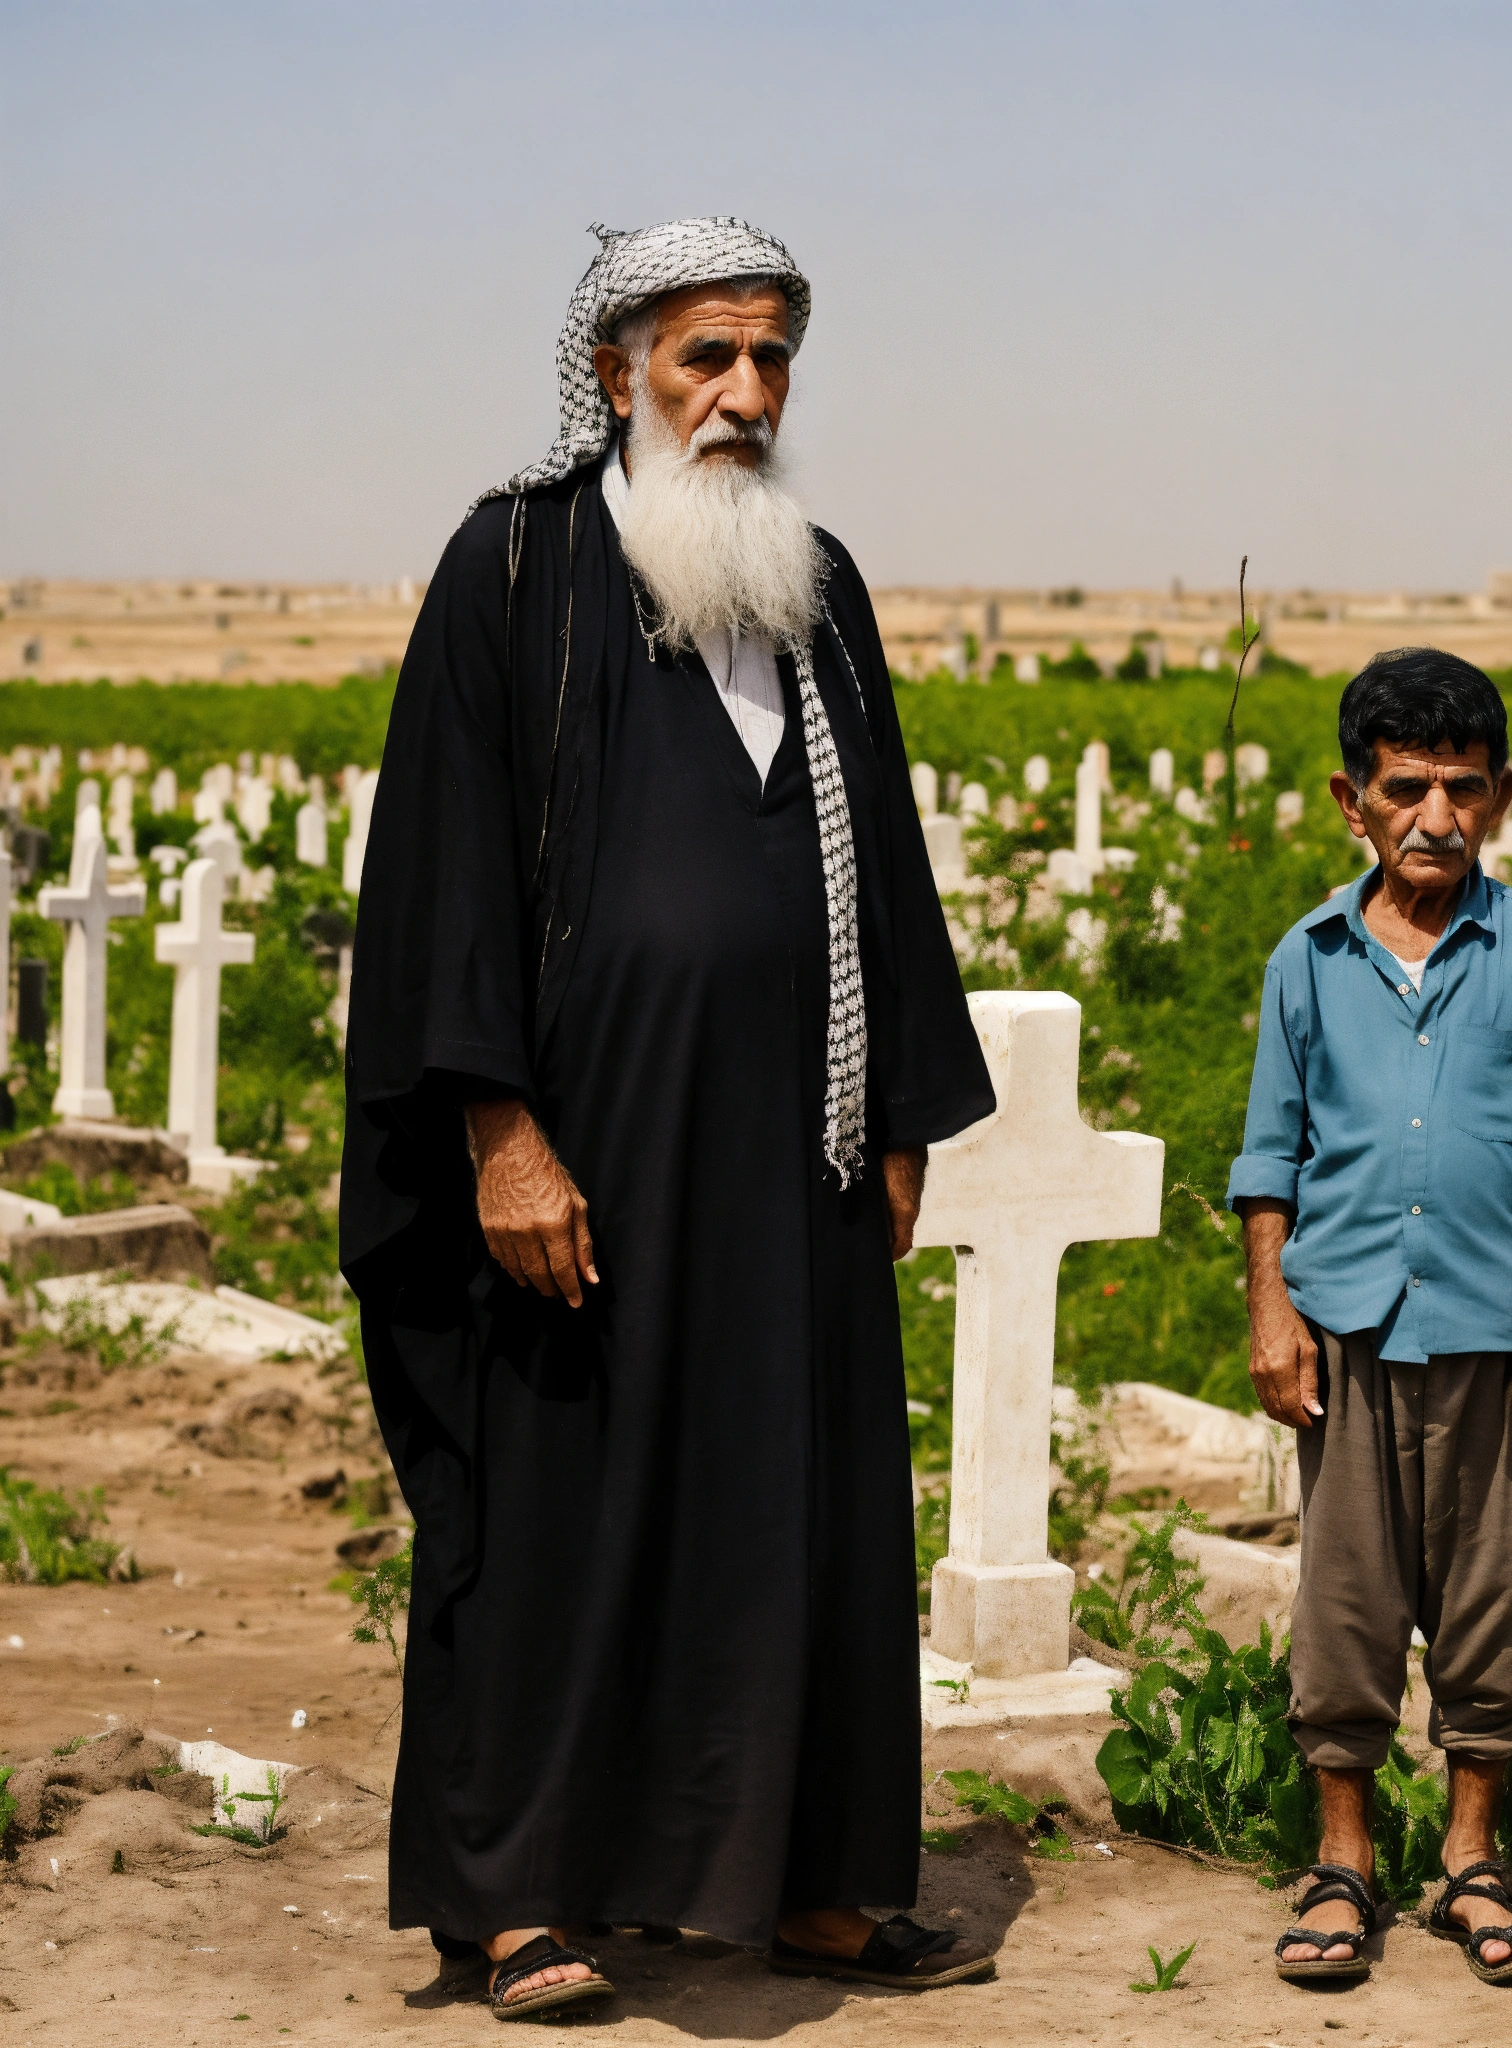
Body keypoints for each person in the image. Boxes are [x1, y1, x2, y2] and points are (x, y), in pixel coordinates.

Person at [341, 218, 999, 2020]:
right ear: (619, 365)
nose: (745, 397)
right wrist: (498, 1134)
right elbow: (446, 873)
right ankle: (514, 1900)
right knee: (560, 1508)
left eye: (772, 360)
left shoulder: (818, 581)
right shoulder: (516, 566)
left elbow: (880, 859)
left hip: (790, 1148)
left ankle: (807, 1881)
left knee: (800, 1499)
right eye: (709, 358)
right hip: (586, 1154)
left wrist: (896, 1117)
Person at [1226, 648, 1512, 1989]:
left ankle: (1471, 1859)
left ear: (1502, 798)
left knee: (1487, 1594)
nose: (1435, 818)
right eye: (1407, 789)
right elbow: (1268, 1159)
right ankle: (1345, 1861)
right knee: (1347, 1596)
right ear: (1352, 798)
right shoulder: (1310, 958)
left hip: (1493, 1327)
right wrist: (1271, 1313)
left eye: (1463, 789)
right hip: (1342, 1324)